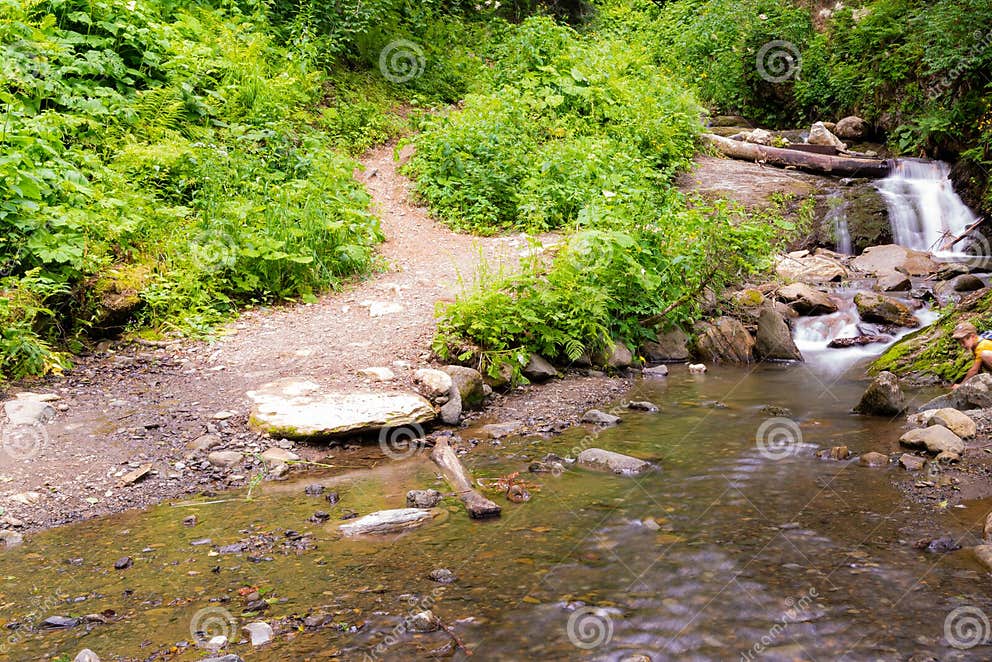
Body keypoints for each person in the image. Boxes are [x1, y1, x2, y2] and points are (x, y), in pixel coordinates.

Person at [951, 322, 992, 389]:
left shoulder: (982, 345)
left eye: (963, 342)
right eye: (960, 343)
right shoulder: (975, 345)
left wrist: (961, 385)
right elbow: (979, 368)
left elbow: (974, 370)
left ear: (973, 337)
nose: (962, 345)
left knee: (985, 354)